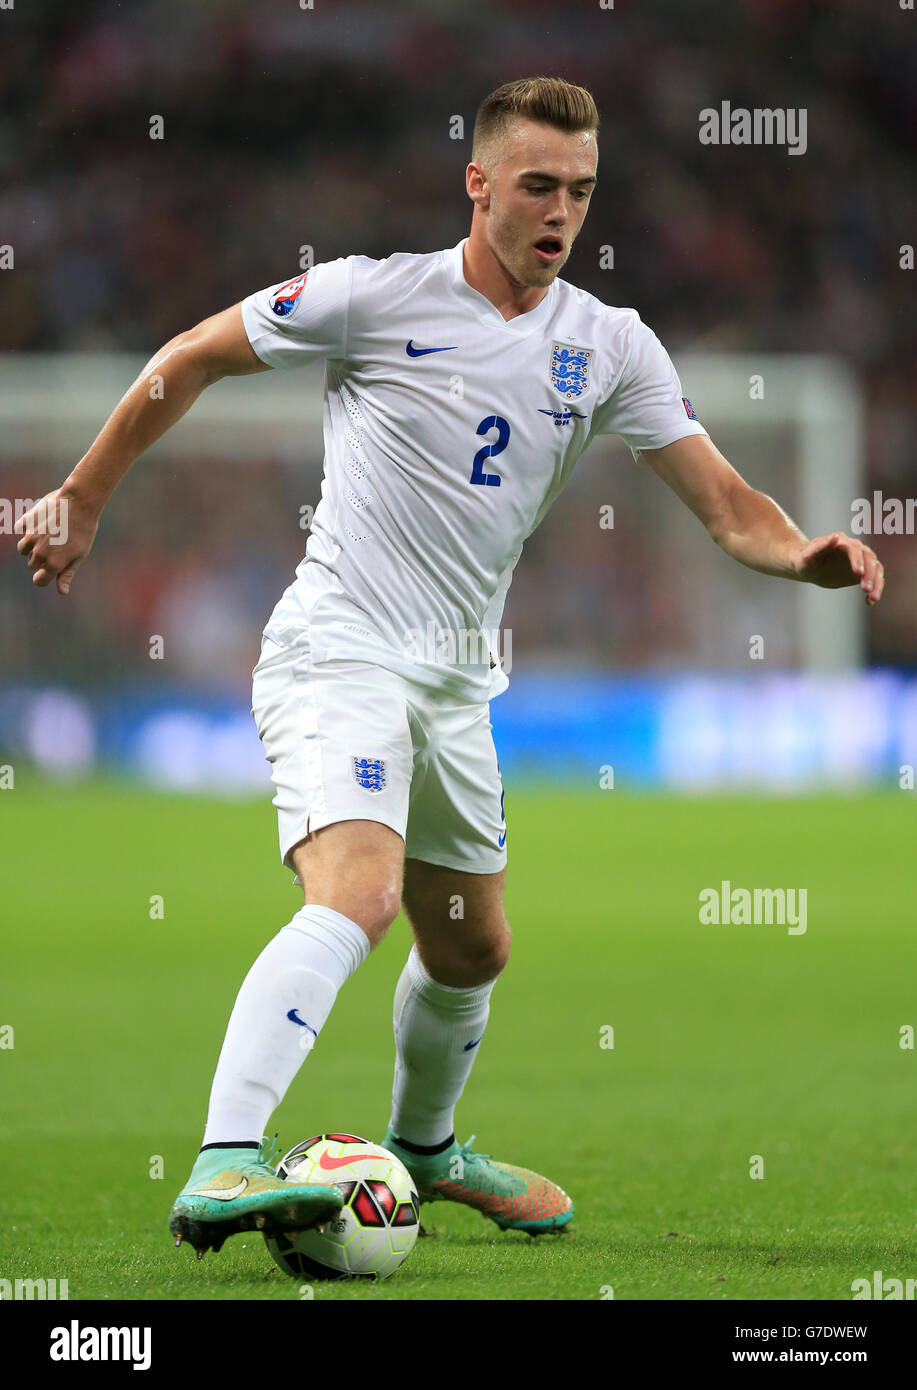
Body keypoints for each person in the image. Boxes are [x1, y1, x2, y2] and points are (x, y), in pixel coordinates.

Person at [16, 76, 884, 1260]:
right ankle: (223, 1156)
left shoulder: (607, 344)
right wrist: (82, 498)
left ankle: (424, 1150)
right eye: (536, 186)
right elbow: (191, 355)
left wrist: (804, 555)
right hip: (339, 647)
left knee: (472, 942)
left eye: (579, 191)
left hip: (456, 679)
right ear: (476, 183)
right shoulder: (372, 295)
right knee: (360, 896)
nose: (559, 213)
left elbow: (728, 505)